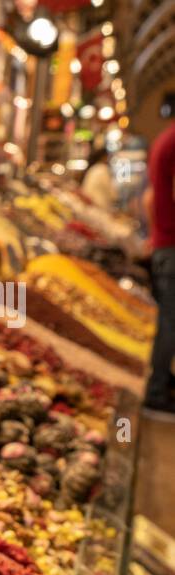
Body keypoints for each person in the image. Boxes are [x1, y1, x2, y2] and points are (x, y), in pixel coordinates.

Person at [143, 114, 175, 416]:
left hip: (166, 243)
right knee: (169, 322)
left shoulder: (166, 138)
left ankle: (162, 383)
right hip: (172, 245)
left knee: (169, 321)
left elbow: (150, 198)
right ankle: (157, 390)